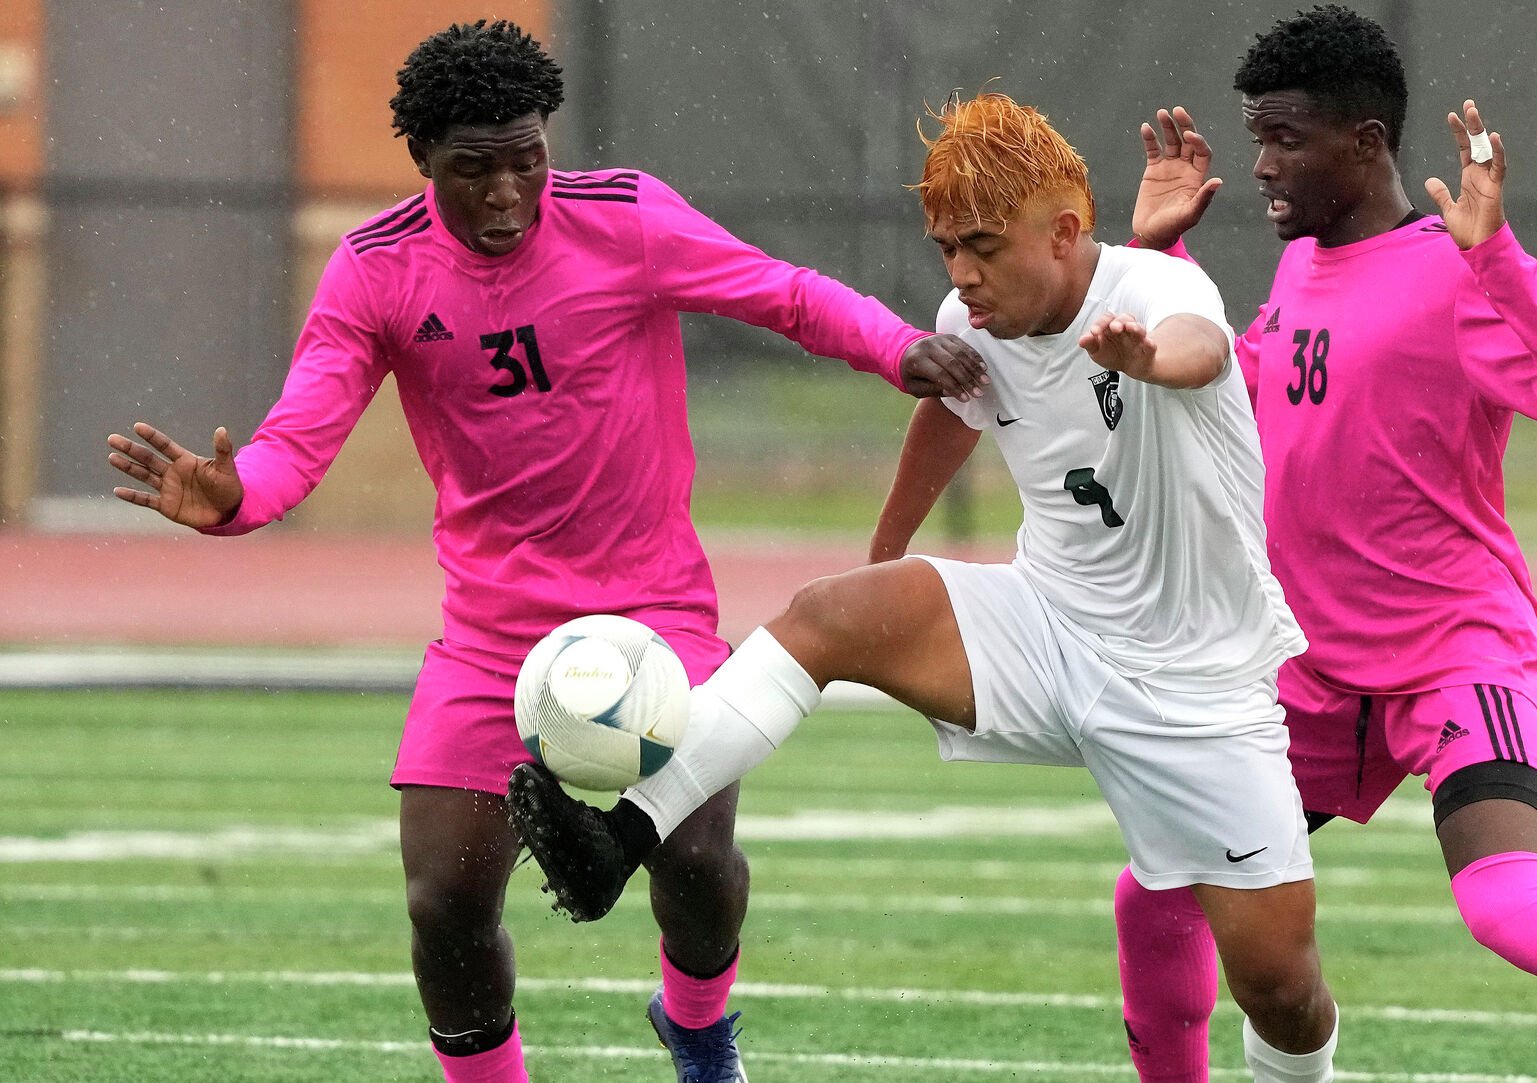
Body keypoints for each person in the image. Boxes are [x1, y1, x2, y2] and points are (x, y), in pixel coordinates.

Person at [103, 20, 985, 1083]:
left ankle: (699, 1037)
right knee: (444, 903)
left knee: (696, 860)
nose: (509, 194)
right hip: (490, 634)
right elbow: (300, 436)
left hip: (654, 611)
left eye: (528, 160)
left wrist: (898, 348)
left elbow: (785, 295)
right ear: (424, 160)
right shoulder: (374, 272)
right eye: (475, 171)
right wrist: (235, 501)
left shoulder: (627, 218)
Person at [508, 90, 1348, 1083]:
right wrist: (889, 549)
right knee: (825, 618)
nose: (959, 275)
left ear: (1065, 232)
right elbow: (956, 406)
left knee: (1282, 995)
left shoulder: (1158, 294)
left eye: (981, 246)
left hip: (1196, 690)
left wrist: (1148, 362)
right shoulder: (972, 314)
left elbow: (1198, 348)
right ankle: (625, 833)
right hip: (1044, 630)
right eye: (946, 248)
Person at [1105, 8, 1537, 1083]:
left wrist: (1500, 259)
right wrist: (1157, 258)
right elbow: (1232, 407)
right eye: (1256, 138)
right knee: (1154, 896)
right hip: (1312, 677)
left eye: (1285, 139)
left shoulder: (1456, 273)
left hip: (1452, 657)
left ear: (1366, 143)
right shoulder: (1294, 273)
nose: (1262, 166)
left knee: (1508, 909)